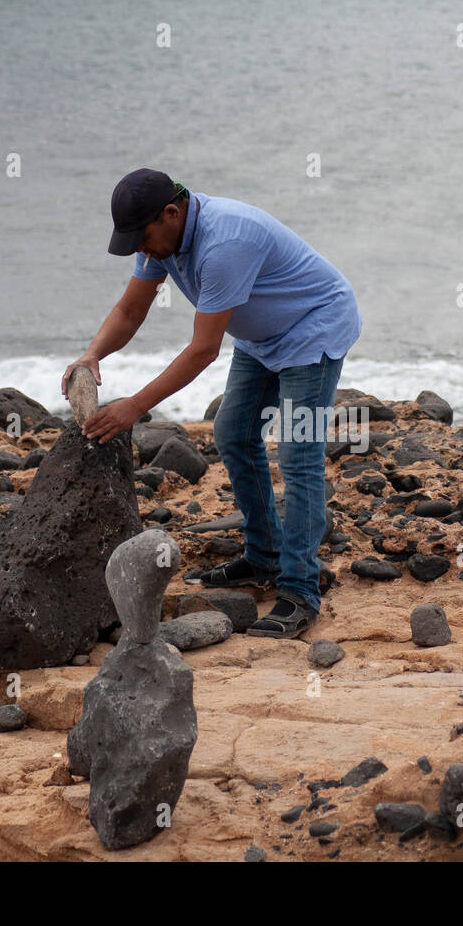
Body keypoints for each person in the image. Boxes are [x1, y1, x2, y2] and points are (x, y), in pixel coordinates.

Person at [62, 168, 361, 637]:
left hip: (313, 328)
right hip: (261, 337)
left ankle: (300, 590)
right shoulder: (162, 239)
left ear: (172, 213)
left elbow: (203, 349)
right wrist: (92, 354)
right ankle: (263, 555)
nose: (140, 250)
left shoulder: (224, 244)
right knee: (233, 435)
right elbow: (129, 310)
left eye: (141, 237)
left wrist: (134, 406)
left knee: (299, 456)